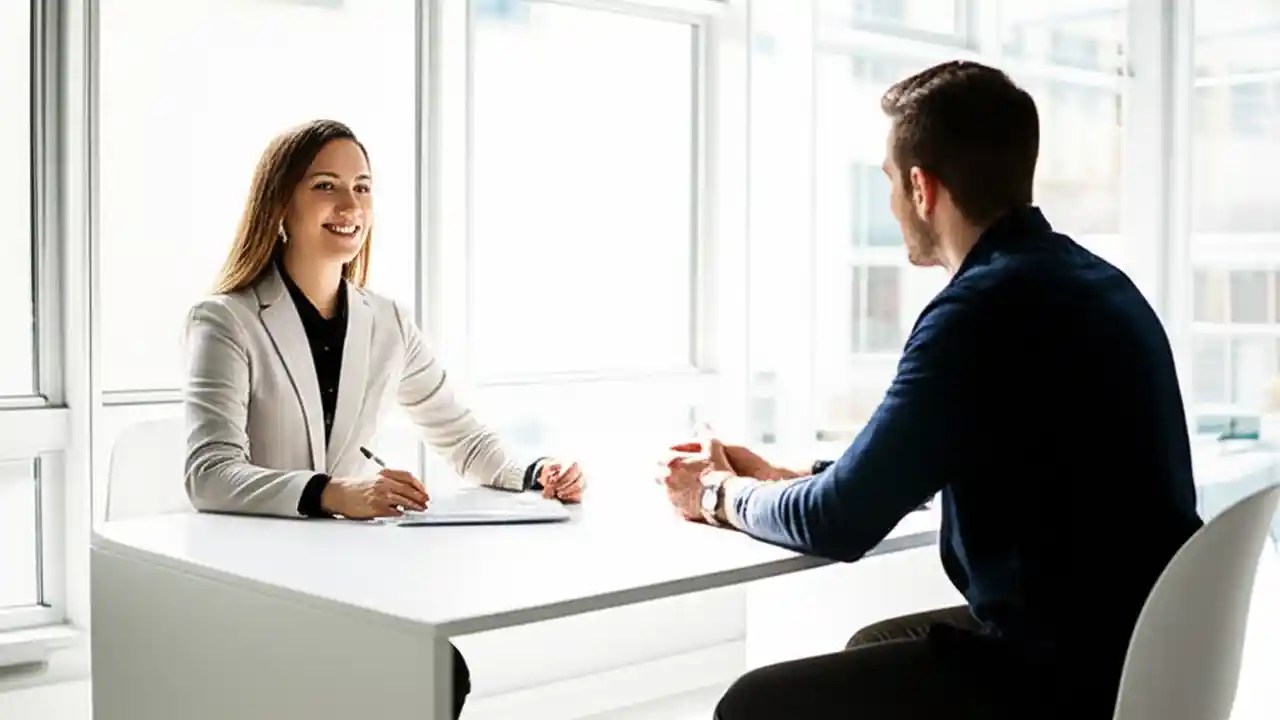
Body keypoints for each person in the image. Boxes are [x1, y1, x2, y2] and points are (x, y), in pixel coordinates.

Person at [658, 61, 1203, 719]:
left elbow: (838, 522)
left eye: (888, 180)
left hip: (1058, 678)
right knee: (872, 645)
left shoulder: (977, 312)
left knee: (755, 704)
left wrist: (717, 493)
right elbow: (960, 458)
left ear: (921, 187)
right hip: (1151, 648)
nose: (890, 201)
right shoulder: (1098, 285)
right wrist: (783, 475)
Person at [182, 119, 586, 718]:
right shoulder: (227, 320)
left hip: (352, 571)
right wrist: (337, 493)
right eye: (326, 186)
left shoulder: (387, 321)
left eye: (363, 187)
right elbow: (209, 473)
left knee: (438, 670)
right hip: (256, 575)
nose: (350, 205)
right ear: (281, 205)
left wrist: (535, 471)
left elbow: (464, 439)